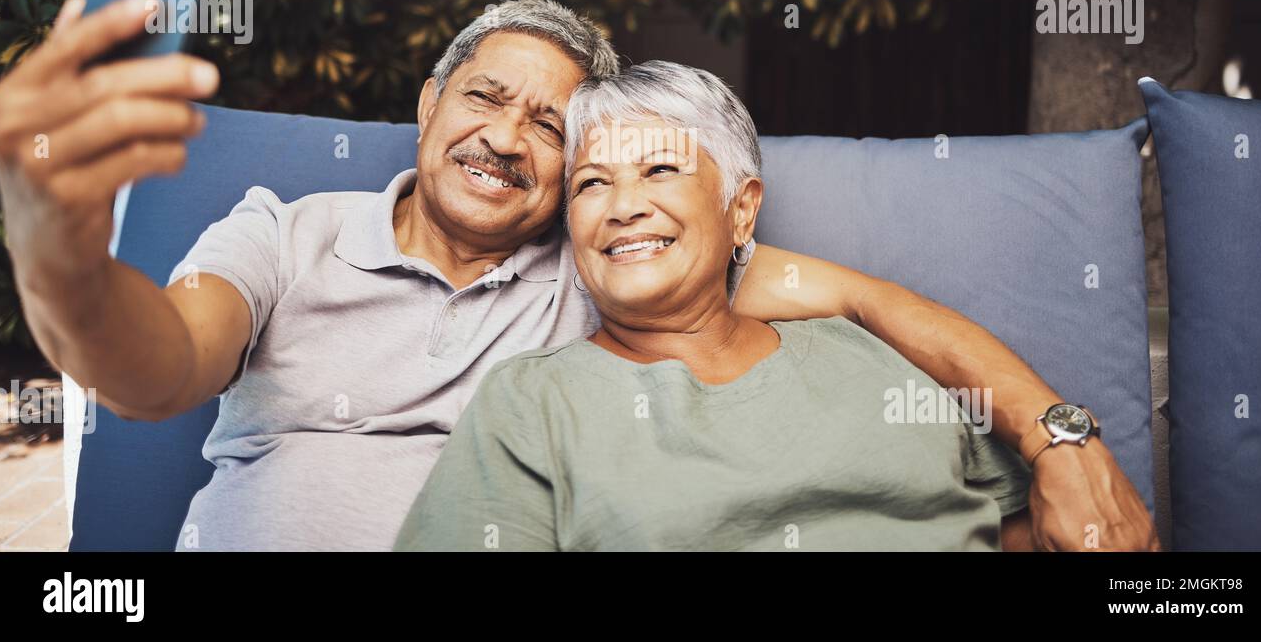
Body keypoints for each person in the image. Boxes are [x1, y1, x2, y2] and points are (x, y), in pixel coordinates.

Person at [0, 0, 1158, 550]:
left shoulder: (601, 266)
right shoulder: (287, 232)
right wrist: (57, 249)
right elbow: (152, 368)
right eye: (485, 97)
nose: (507, 135)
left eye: (555, 129)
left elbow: (863, 300)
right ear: (426, 106)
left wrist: (1064, 439)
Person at [395, 62, 1043, 550]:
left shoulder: (869, 350)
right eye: (593, 183)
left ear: (741, 210)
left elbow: (1022, 530)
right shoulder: (532, 401)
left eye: (660, 171)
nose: (623, 207)